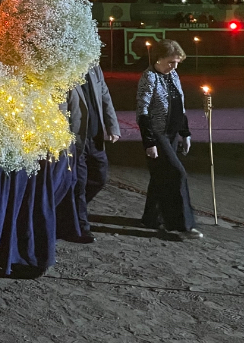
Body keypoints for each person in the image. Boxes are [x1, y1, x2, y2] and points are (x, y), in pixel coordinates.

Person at [136, 39, 202, 240]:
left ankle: (151, 218)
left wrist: (185, 133)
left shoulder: (173, 75)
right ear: (158, 59)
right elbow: (142, 111)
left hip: (172, 134)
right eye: (170, 62)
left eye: (177, 62)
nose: (174, 66)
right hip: (157, 134)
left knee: (159, 178)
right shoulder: (149, 77)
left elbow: (179, 106)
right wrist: (150, 142)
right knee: (176, 174)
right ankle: (180, 225)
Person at [63, 63, 120, 243]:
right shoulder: (66, 68)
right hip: (77, 138)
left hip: (95, 137)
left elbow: (105, 96)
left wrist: (112, 126)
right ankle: (80, 228)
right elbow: (61, 106)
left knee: (99, 178)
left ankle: (70, 213)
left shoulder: (94, 67)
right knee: (79, 184)